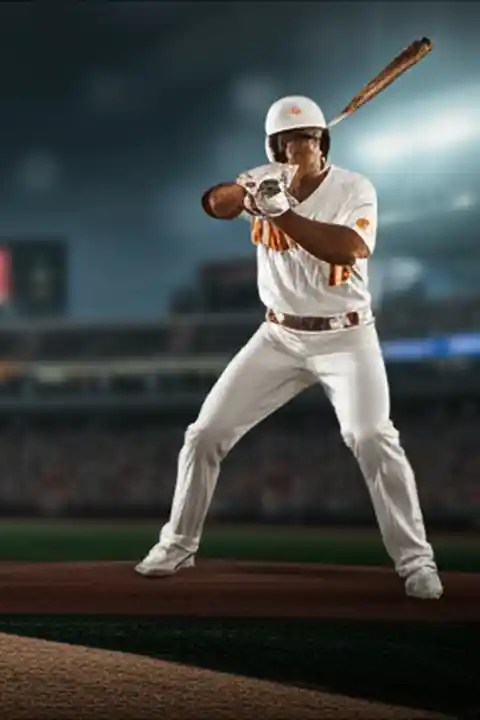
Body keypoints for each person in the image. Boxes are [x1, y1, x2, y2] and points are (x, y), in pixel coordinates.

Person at [134, 95, 443, 600]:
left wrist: (282, 213)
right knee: (204, 434)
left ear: (325, 142)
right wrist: (248, 190)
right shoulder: (265, 180)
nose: (302, 147)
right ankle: (178, 544)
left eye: (310, 138)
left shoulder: (353, 188)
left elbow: (349, 248)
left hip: (346, 337)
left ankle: (416, 563)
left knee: (371, 437)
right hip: (278, 336)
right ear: (274, 147)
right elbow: (214, 204)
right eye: (289, 141)